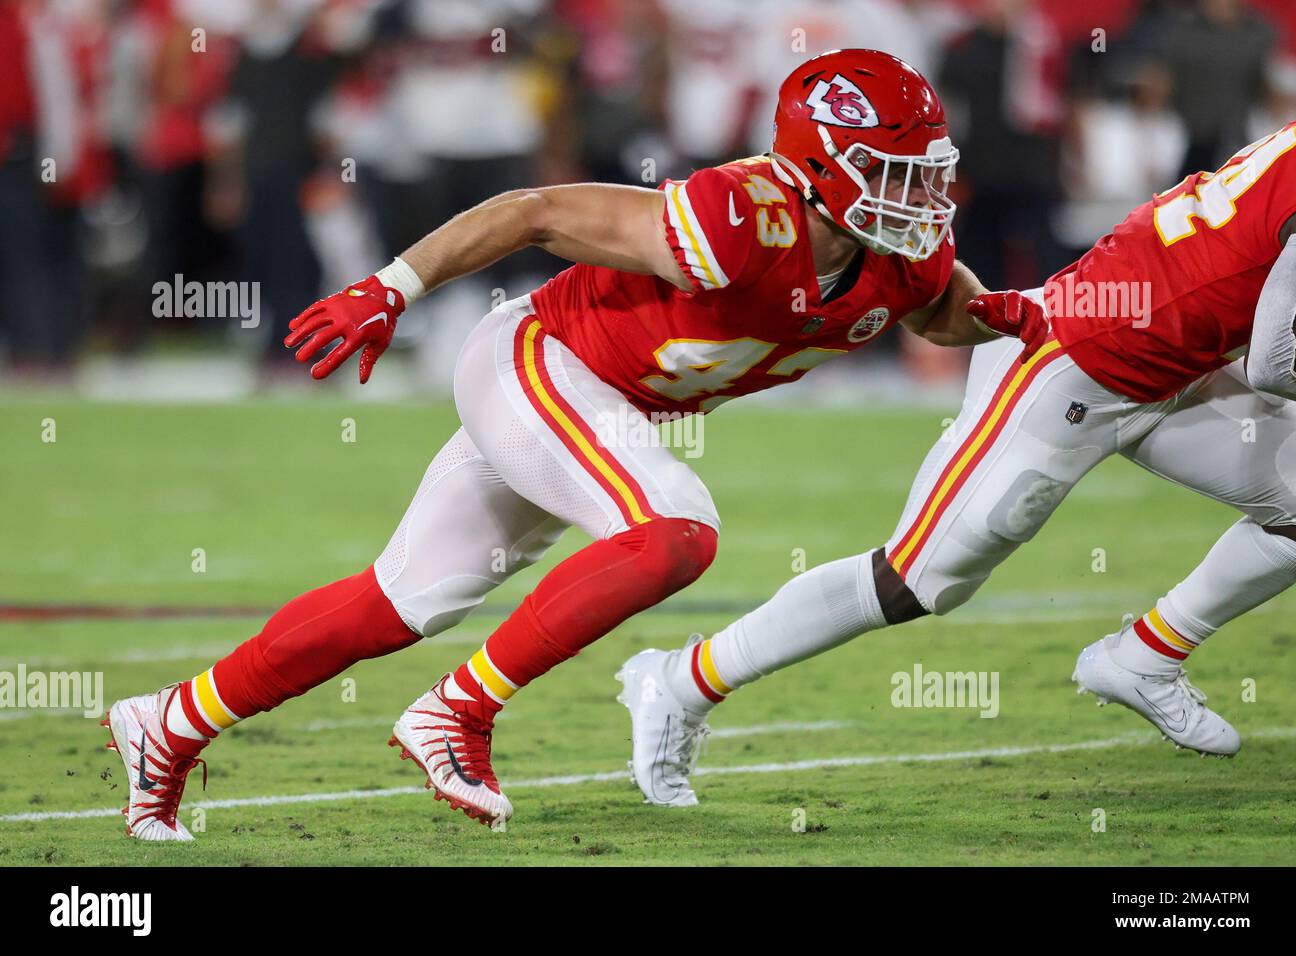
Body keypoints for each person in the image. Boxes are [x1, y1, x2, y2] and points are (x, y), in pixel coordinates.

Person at [101, 50, 991, 839]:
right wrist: (391, 287)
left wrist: (1039, 322)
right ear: (812, 166)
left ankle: (169, 723)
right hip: (541, 361)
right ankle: (460, 712)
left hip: (601, 410)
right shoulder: (738, 218)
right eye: (890, 171)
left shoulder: (902, 256)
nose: (917, 196)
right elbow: (533, 211)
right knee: (675, 528)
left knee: (400, 603)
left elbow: (957, 315)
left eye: (925, 173)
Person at [626, 120, 1296, 806]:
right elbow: (1277, 361)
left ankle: (1148, 656)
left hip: (1180, 361)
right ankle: (681, 681)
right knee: (916, 583)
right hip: (1070, 359)